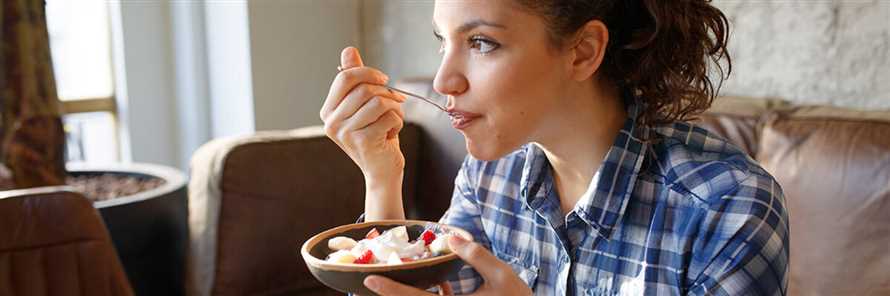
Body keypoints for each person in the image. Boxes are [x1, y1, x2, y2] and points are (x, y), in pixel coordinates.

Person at [320, 0, 789, 295]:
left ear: (583, 51)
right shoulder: (489, 177)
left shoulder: (728, 209)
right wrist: (383, 177)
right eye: (445, 41)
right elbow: (420, 287)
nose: (444, 79)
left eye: (481, 42)